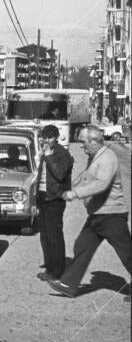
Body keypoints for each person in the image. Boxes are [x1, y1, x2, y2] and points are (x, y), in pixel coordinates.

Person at [47, 125, 131, 300]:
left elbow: (102, 184)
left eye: (84, 142)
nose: (82, 146)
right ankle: (69, 285)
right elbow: (88, 180)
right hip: (97, 215)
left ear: (94, 141)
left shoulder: (107, 157)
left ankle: (68, 283)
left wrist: (75, 193)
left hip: (112, 214)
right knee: (82, 246)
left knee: (127, 253)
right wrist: (73, 190)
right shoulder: (94, 156)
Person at [35, 124, 74, 282]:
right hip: (43, 198)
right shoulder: (45, 152)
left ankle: (57, 271)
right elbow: (41, 176)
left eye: (50, 137)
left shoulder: (61, 153)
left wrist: (49, 156)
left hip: (55, 199)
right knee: (44, 235)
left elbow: (59, 174)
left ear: (56, 137)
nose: (47, 140)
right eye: (45, 137)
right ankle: (50, 267)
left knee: (54, 235)